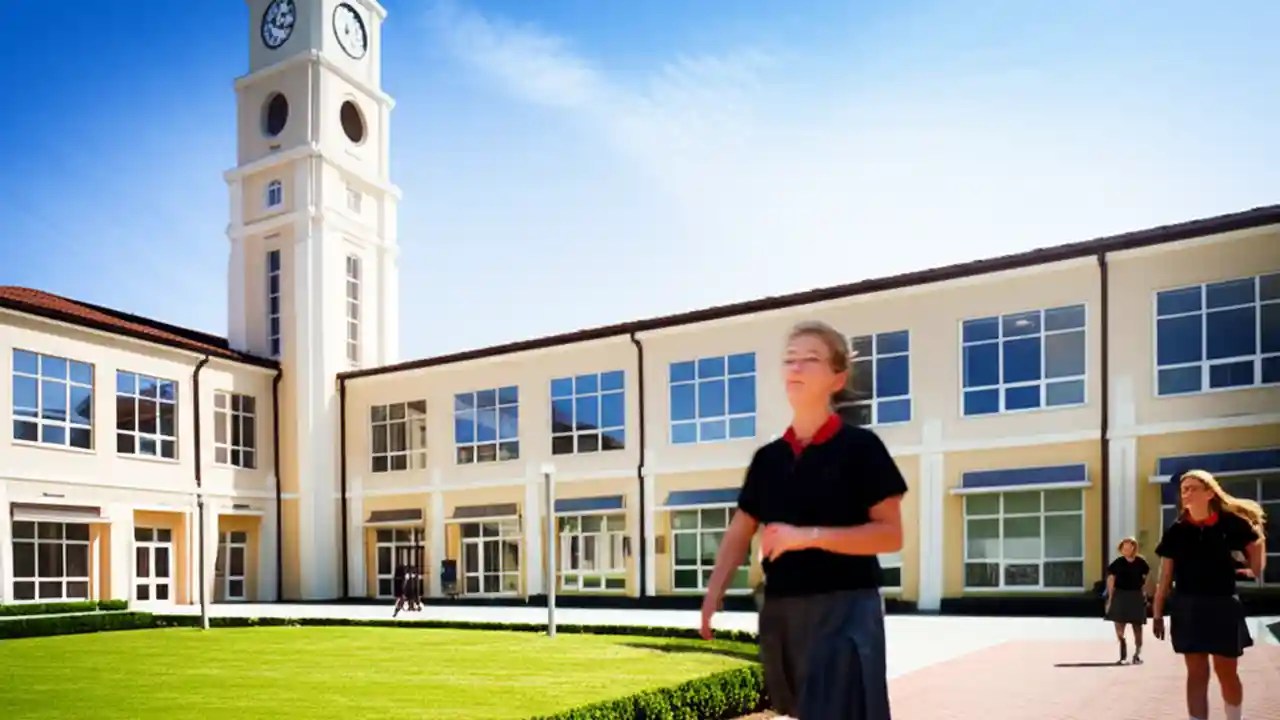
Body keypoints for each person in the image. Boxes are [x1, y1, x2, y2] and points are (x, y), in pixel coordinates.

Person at [699, 320, 907, 720]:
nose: (795, 368)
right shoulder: (768, 459)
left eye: (810, 359)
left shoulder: (862, 449)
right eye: (789, 360)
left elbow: (890, 534)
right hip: (783, 609)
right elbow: (740, 529)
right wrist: (713, 594)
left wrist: (805, 537)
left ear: (837, 377)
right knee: (801, 711)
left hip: (846, 608)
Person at [1152, 469, 1268, 720]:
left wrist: (1255, 569)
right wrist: (1157, 611)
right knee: (1196, 674)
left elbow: (1256, 541)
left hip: (1223, 605)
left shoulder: (1230, 523)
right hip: (1187, 607)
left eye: (1193, 488)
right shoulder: (1177, 530)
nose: (1187, 493)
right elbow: (1165, 576)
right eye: (1184, 489)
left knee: (1226, 672)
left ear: (1209, 492)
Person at [1104, 537, 1150, 664]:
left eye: (1129, 547)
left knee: (1137, 627)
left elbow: (1145, 580)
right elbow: (1111, 580)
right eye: (1124, 547)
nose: (1127, 549)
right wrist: (1110, 598)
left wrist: (1145, 594)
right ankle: (1123, 651)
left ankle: (1137, 654)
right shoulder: (1117, 563)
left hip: (1135, 595)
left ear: (1134, 548)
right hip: (1120, 595)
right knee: (1119, 624)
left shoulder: (1141, 563)